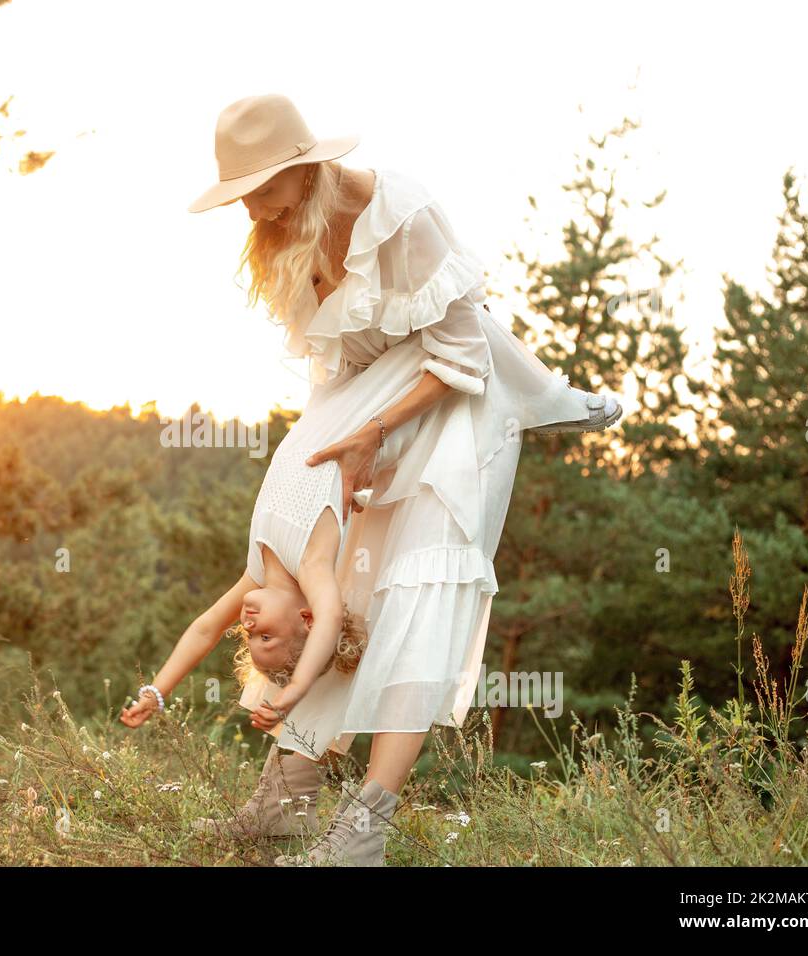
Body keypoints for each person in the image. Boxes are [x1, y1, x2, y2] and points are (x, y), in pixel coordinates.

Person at [128, 94, 623, 866]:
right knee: (344, 601)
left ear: (306, 166)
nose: (253, 208)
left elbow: (462, 357)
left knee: (419, 596)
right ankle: (284, 804)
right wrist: (340, 450)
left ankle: (365, 831)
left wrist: (378, 431)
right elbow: (345, 369)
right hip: (372, 416)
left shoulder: (402, 212)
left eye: (261, 187)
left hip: (452, 403)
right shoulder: (284, 235)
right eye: (242, 192)